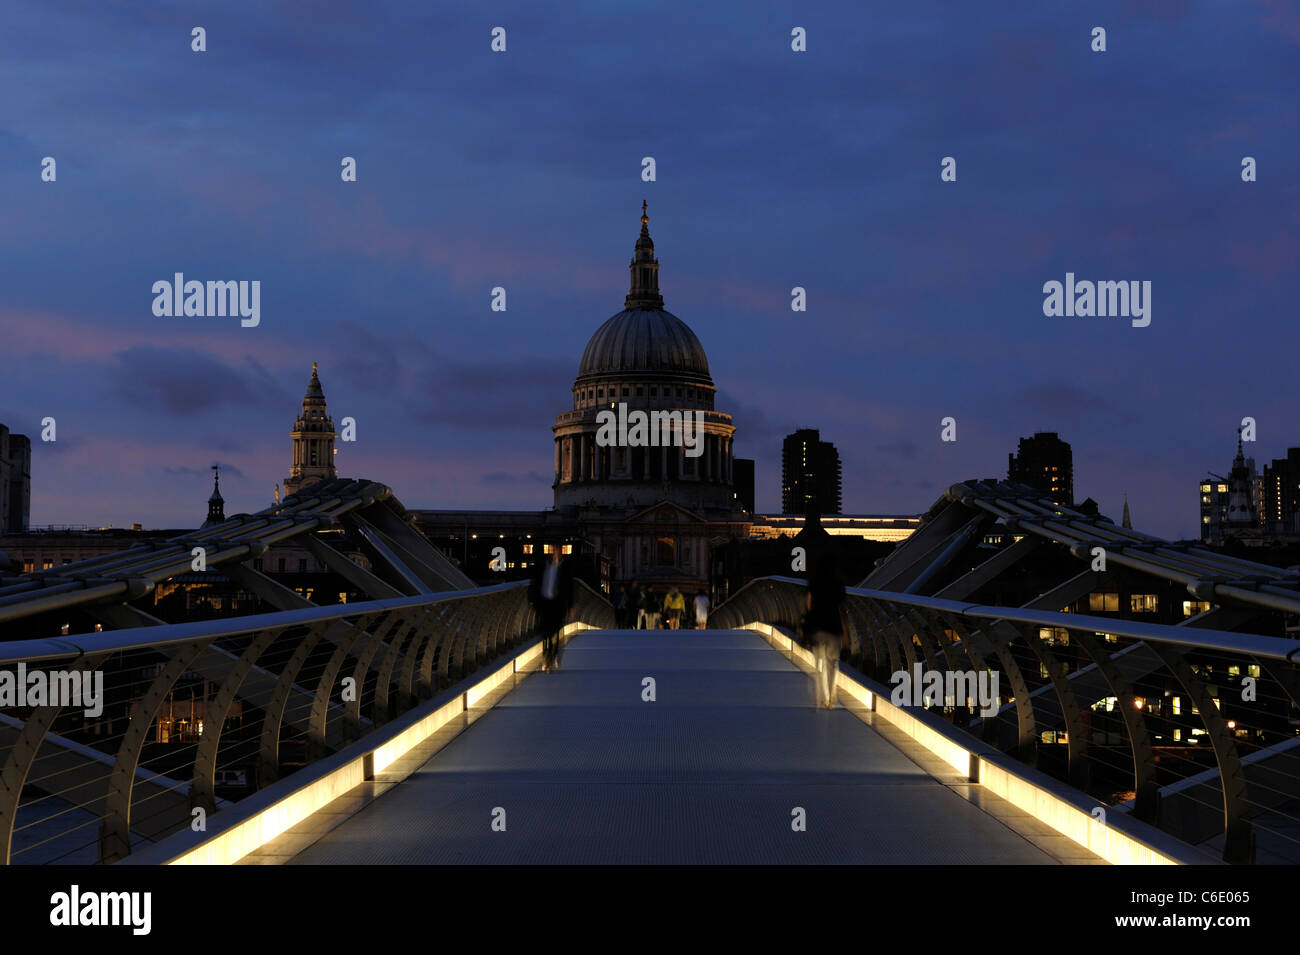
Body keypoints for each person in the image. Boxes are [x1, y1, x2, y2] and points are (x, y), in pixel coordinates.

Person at [804, 558, 845, 708]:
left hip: (817, 628)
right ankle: (829, 697)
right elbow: (842, 609)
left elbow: (808, 604)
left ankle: (820, 696)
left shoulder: (814, 581)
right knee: (832, 663)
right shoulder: (838, 583)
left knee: (818, 663)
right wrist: (846, 634)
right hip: (834, 627)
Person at [527, 547, 573, 671]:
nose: (554, 554)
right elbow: (535, 583)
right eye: (553, 552)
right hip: (544, 603)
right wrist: (532, 600)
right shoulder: (543, 567)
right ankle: (547, 656)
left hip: (558, 604)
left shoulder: (564, 568)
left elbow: (570, 587)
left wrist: (571, 606)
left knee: (555, 631)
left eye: (557, 552)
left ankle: (552, 655)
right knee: (546, 632)